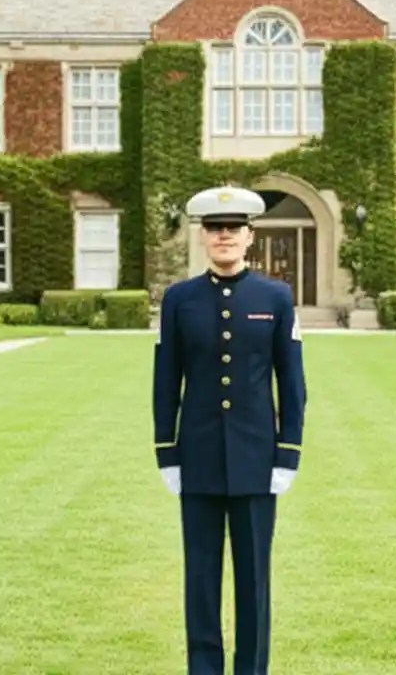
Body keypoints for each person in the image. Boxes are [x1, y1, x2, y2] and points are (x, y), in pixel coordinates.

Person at [153, 186, 308, 675]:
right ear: (203, 237)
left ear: (249, 237)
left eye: (233, 229)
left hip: (257, 459)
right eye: (215, 229)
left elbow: (293, 383)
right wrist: (167, 451)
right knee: (200, 576)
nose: (224, 236)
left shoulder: (276, 298)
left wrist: (287, 453)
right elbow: (166, 380)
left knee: (253, 579)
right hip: (197, 457)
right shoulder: (179, 300)